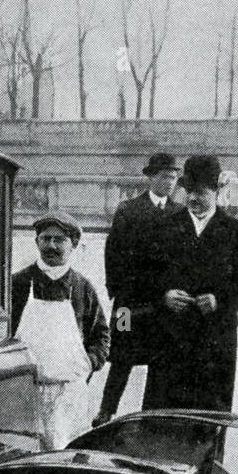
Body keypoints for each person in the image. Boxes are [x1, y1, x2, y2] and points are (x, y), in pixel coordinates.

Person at [144, 155, 238, 415]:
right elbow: (144, 275)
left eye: (201, 192)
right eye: (189, 192)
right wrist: (164, 295)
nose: (193, 198)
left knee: (210, 417)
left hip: (216, 339)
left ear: (216, 191)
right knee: (163, 416)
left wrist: (220, 301)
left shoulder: (236, 231)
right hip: (170, 336)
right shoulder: (164, 228)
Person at [94, 151, 181, 427]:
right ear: (151, 178)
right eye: (164, 176)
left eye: (173, 177)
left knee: (160, 361)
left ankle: (149, 417)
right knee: (121, 357)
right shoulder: (128, 209)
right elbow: (113, 252)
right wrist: (116, 289)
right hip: (128, 301)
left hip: (162, 303)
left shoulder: (179, 213)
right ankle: (106, 411)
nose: (169, 182)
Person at [11, 211, 110, 450]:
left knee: (67, 457)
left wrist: (89, 362)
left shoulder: (83, 287)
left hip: (70, 394)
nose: (51, 246)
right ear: (37, 242)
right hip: (25, 392)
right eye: (45, 239)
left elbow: (101, 335)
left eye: (59, 240)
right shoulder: (18, 283)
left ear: (73, 244)